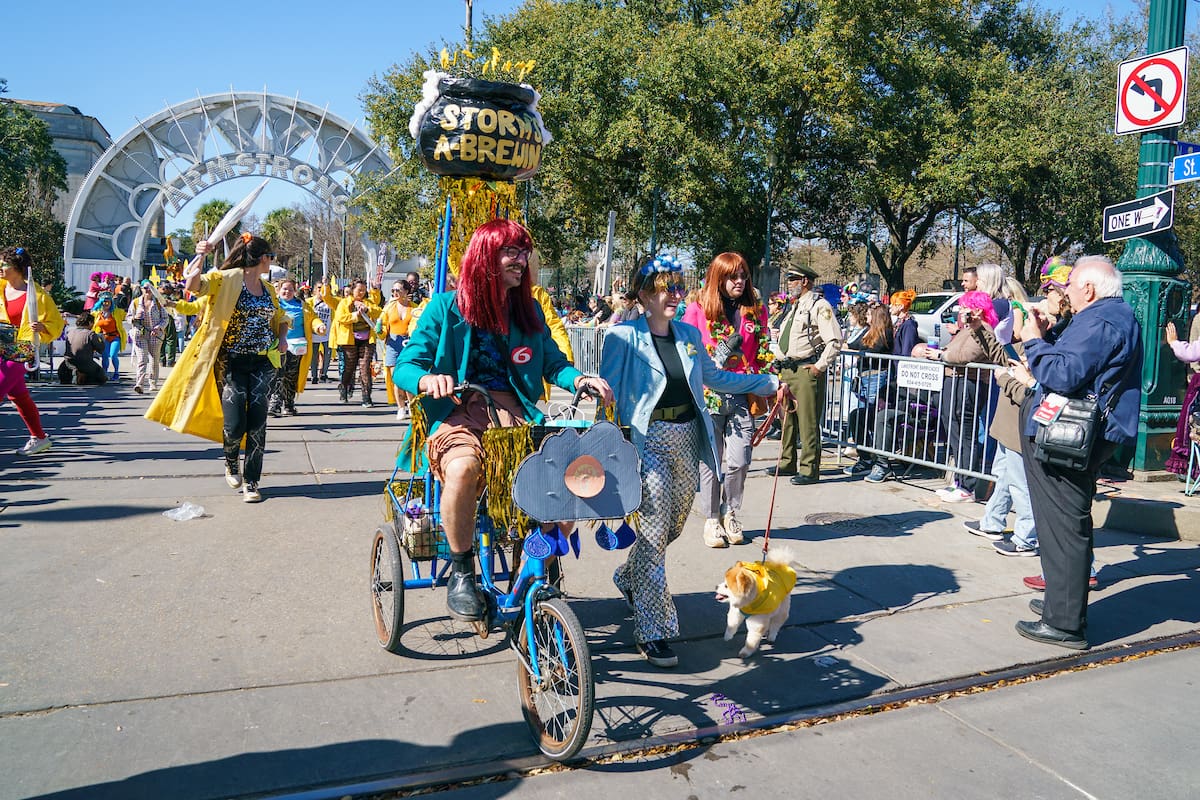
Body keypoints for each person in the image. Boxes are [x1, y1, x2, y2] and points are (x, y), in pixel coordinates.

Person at [394, 219, 612, 622]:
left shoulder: (526, 312)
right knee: (463, 470)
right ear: (484, 257)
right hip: (459, 412)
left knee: (572, 476)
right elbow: (405, 366)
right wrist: (427, 378)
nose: (521, 260)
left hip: (516, 415)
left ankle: (536, 567)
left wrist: (580, 378)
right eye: (511, 251)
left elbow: (553, 362)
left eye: (524, 252)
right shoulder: (444, 308)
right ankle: (462, 573)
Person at [600, 254, 788, 667]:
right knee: (651, 535)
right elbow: (607, 393)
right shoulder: (622, 337)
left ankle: (628, 577)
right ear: (646, 294)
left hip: (687, 439)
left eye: (679, 288)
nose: (677, 296)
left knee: (669, 529)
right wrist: (601, 442)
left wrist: (769, 381)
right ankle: (652, 630)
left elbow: (716, 379)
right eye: (668, 289)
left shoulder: (687, 334)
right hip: (646, 444)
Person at [1014, 256, 1142, 650]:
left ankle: (1065, 622)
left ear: (1088, 288)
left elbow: (1064, 375)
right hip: (1071, 435)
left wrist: (1034, 340)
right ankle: (1061, 604)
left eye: (1070, 285)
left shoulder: (1102, 320)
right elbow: (1077, 366)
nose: (1064, 291)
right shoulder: (1105, 317)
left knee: (1064, 524)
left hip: (1071, 439)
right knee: (1062, 522)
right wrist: (1049, 338)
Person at [146, 232, 289, 503]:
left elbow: (280, 316)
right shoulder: (224, 280)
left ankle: (252, 482)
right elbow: (194, 285)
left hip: (263, 362)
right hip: (230, 361)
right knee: (235, 424)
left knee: (258, 423)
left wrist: (282, 337)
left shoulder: (269, 288)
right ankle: (231, 460)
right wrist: (200, 254)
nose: (272, 261)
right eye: (270, 256)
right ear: (260, 258)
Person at [682, 252, 775, 548]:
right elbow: (685, 349)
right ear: (718, 278)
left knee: (739, 459)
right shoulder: (698, 308)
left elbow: (761, 351)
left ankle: (730, 511)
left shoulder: (756, 309)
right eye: (733, 276)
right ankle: (711, 519)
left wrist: (769, 382)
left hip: (742, 393)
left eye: (743, 276)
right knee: (710, 461)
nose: (739, 281)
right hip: (708, 393)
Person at [772, 264, 841, 485]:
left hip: (805, 369)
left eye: (793, 279)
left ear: (804, 281)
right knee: (787, 420)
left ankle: (809, 469)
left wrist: (820, 366)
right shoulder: (794, 307)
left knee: (808, 422)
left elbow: (834, 340)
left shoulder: (819, 306)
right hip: (787, 369)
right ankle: (786, 462)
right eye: (789, 279)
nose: (789, 283)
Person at [0, 247, 63, 455]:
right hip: (1, 346)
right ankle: (40, 438)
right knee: (19, 396)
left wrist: (43, 328)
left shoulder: (36, 294)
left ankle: (39, 438)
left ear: (17, 268)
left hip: (22, 347)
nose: (0, 267)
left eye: (4, 264)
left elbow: (56, 321)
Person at [269, 278, 324, 417]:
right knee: (278, 374)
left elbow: (313, 319)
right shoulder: (273, 304)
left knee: (292, 375)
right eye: (284, 289)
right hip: (277, 345)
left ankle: (289, 403)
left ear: (295, 291)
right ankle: (275, 404)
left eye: (290, 289)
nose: (287, 292)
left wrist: (319, 326)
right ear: (279, 290)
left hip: (297, 345)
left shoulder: (302, 305)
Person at [333, 279, 382, 407]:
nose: (361, 292)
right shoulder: (344, 303)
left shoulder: (368, 303)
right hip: (350, 340)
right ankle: (344, 388)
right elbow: (340, 318)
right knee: (349, 367)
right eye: (359, 290)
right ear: (353, 290)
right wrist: (355, 315)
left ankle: (366, 396)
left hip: (366, 340)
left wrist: (367, 310)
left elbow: (379, 311)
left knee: (365, 368)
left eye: (364, 290)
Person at [378, 280, 415, 418]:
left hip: (408, 343)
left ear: (406, 291)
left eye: (398, 290)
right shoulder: (389, 308)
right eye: (393, 290)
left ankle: (412, 405)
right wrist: (379, 330)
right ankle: (400, 407)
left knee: (408, 376)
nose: (395, 293)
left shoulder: (414, 308)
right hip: (393, 343)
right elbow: (382, 328)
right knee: (397, 378)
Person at [128, 280, 167, 394]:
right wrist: (134, 318)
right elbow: (128, 316)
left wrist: (159, 327)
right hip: (140, 334)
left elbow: (166, 318)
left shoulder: (159, 302)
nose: (147, 290)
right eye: (145, 288)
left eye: (149, 288)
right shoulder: (135, 302)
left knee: (154, 359)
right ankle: (139, 384)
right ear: (141, 289)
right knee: (142, 359)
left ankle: (153, 382)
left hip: (155, 334)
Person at [59, 311, 107, 385]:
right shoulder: (90, 334)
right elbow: (101, 349)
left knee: (64, 377)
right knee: (101, 376)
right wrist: (102, 339)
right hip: (85, 363)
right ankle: (81, 376)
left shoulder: (70, 332)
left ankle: (75, 374)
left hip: (68, 363)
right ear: (90, 323)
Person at [93, 292, 126, 381]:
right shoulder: (97, 314)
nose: (106, 303)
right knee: (104, 356)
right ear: (101, 302)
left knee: (113, 355)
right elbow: (85, 317)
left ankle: (116, 373)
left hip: (115, 337)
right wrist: (70, 315)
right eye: (104, 301)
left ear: (111, 302)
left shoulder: (117, 312)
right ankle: (104, 373)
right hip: (104, 338)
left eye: (108, 301)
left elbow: (128, 314)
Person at [310, 281, 333, 383]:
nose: (321, 290)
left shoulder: (330, 302)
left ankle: (323, 374)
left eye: (324, 288)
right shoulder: (310, 302)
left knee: (328, 354)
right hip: (314, 334)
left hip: (328, 333)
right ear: (315, 290)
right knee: (314, 355)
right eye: (319, 288)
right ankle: (314, 376)